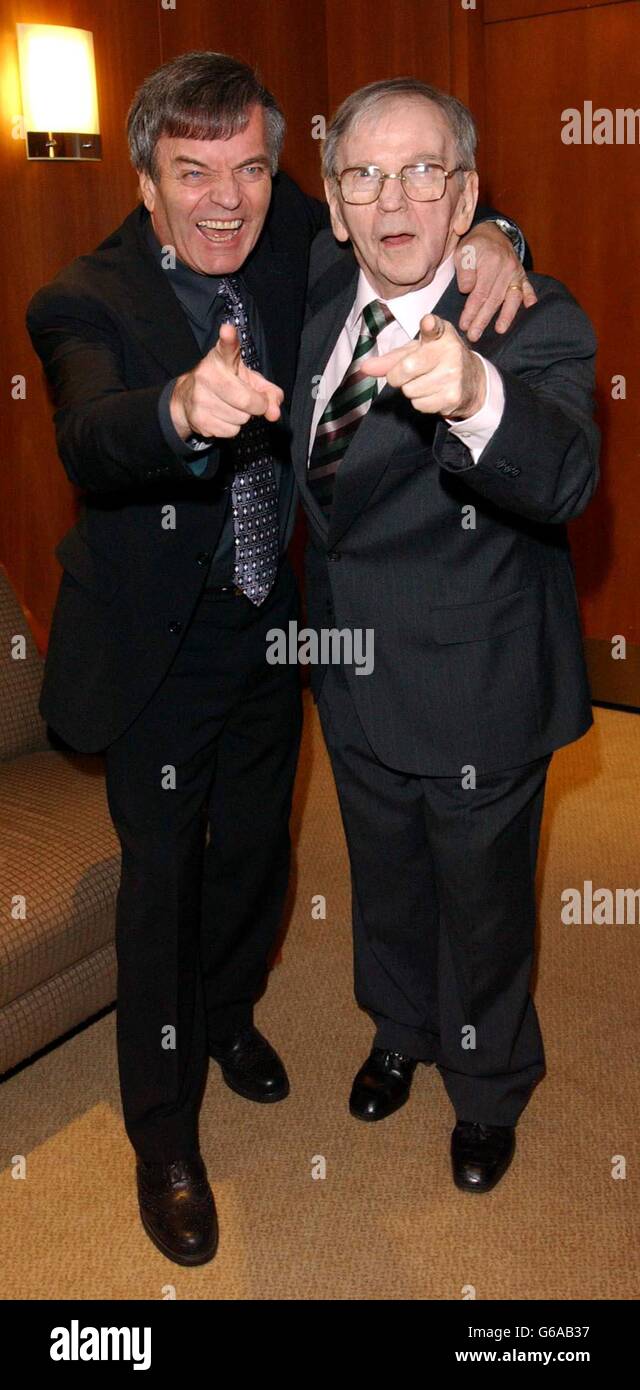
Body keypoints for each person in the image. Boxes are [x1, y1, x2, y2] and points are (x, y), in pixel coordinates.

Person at [26, 51, 532, 1265]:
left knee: (256, 852)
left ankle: (232, 1016)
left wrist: (496, 231)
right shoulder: (80, 297)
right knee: (164, 887)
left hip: (276, 624)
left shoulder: (288, 224)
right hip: (159, 643)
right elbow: (92, 430)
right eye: (190, 172)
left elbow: (400, 208)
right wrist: (174, 412)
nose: (225, 199)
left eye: (250, 167)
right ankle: (164, 1135)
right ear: (146, 180)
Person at [290, 77, 598, 1194]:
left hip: (478, 684)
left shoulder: (527, 317)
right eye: (365, 173)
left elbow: (565, 471)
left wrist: (475, 393)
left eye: (425, 170)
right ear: (333, 204)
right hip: (350, 673)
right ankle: (399, 1030)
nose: (394, 197)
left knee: (481, 904)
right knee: (384, 878)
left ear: (465, 193)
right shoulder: (322, 291)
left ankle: (487, 1084)